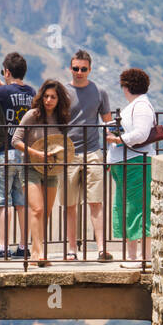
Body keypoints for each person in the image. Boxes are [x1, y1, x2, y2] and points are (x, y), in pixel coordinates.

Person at [13, 80, 74, 266]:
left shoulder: (62, 119)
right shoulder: (33, 115)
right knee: (37, 209)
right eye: (46, 96)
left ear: (59, 99)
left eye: (53, 97)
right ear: (41, 97)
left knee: (45, 212)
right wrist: (35, 153)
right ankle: (36, 253)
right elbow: (16, 140)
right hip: (30, 167)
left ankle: (39, 250)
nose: (48, 100)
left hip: (51, 170)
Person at [59, 50, 113, 260]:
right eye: (75, 68)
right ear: (70, 68)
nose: (79, 72)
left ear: (89, 70)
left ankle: (101, 248)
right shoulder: (62, 92)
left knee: (95, 202)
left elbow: (107, 123)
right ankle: (71, 249)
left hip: (92, 151)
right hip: (68, 153)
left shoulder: (100, 92)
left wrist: (110, 151)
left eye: (83, 69)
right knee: (70, 204)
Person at [105, 68, 157, 267]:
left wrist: (118, 139)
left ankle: (141, 258)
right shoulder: (137, 105)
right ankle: (134, 256)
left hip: (136, 162)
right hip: (128, 163)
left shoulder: (141, 105)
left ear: (125, 87)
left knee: (136, 208)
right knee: (128, 207)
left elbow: (141, 133)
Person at [0, 52, 36, 258]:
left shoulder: (1, 93)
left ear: (7, 71)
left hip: (4, 150)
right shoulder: (32, 93)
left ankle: (3, 246)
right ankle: (24, 246)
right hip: (25, 153)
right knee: (21, 201)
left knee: (3, 201)